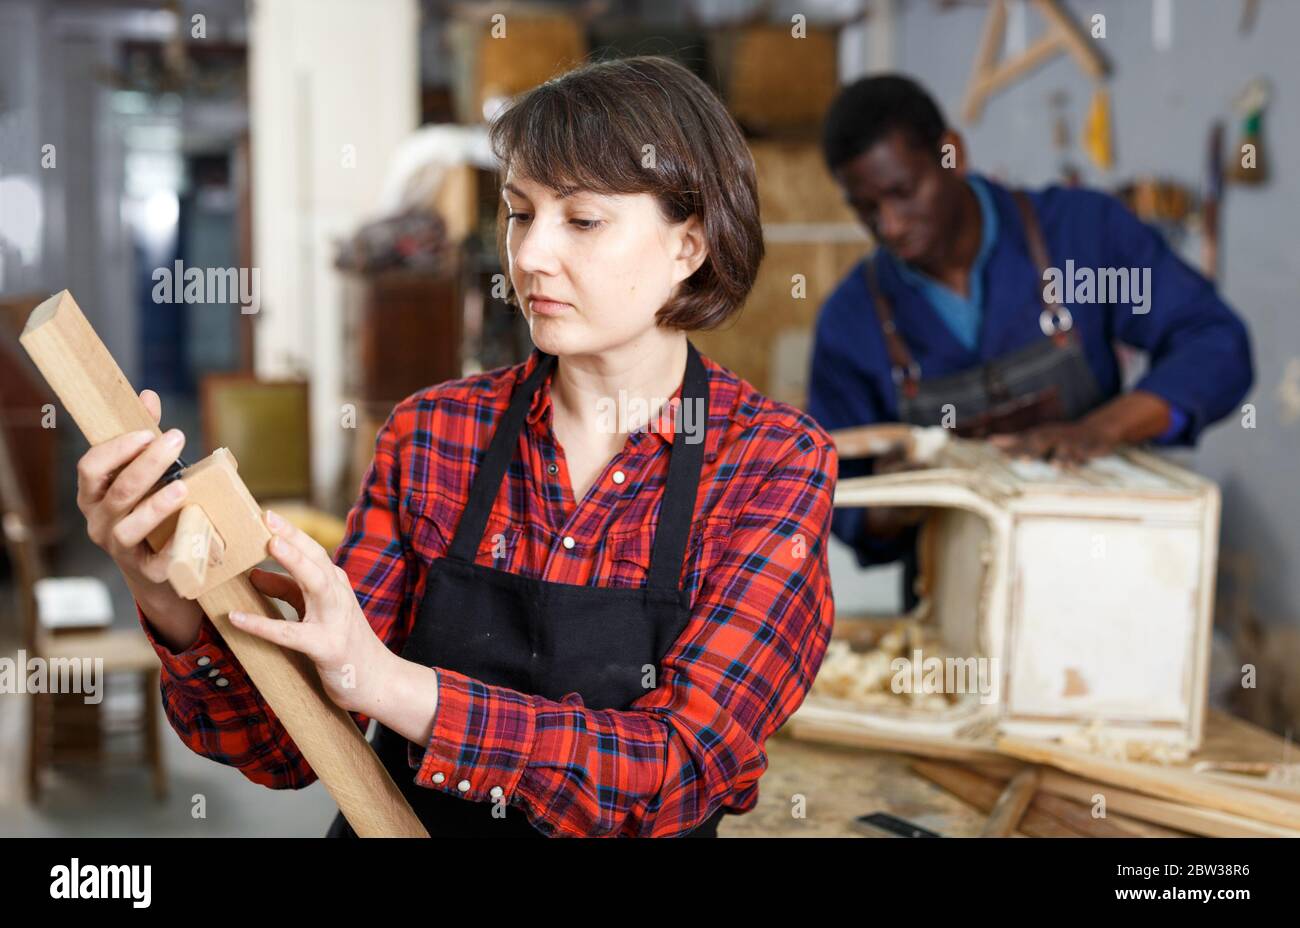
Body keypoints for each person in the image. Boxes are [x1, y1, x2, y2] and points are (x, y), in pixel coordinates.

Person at [76, 56, 838, 838]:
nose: (532, 255)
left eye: (581, 220)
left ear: (691, 244)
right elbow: (284, 748)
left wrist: (393, 686)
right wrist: (171, 597)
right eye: (519, 213)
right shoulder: (435, 433)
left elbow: (677, 771)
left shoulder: (772, 464)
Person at [807, 75, 1253, 606]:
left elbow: (1214, 342)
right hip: (957, 601)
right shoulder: (851, 322)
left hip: (1111, 575)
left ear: (951, 154)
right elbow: (839, 500)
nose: (891, 225)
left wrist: (1102, 428)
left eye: (903, 193)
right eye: (866, 210)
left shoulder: (1081, 235)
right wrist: (897, 504)